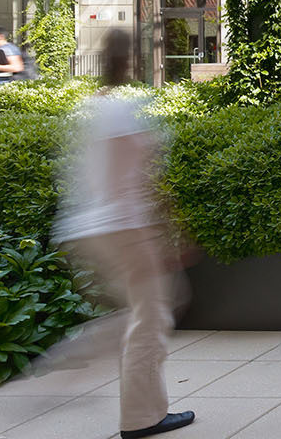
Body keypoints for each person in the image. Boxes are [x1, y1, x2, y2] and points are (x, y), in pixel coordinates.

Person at [54, 30, 194, 439]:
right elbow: (147, 179)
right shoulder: (124, 111)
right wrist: (175, 233)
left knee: (143, 311)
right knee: (152, 314)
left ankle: (76, 360)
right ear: (130, 59)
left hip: (89, 227)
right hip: (124, 227)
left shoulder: (92, 107)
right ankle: (140, 417)